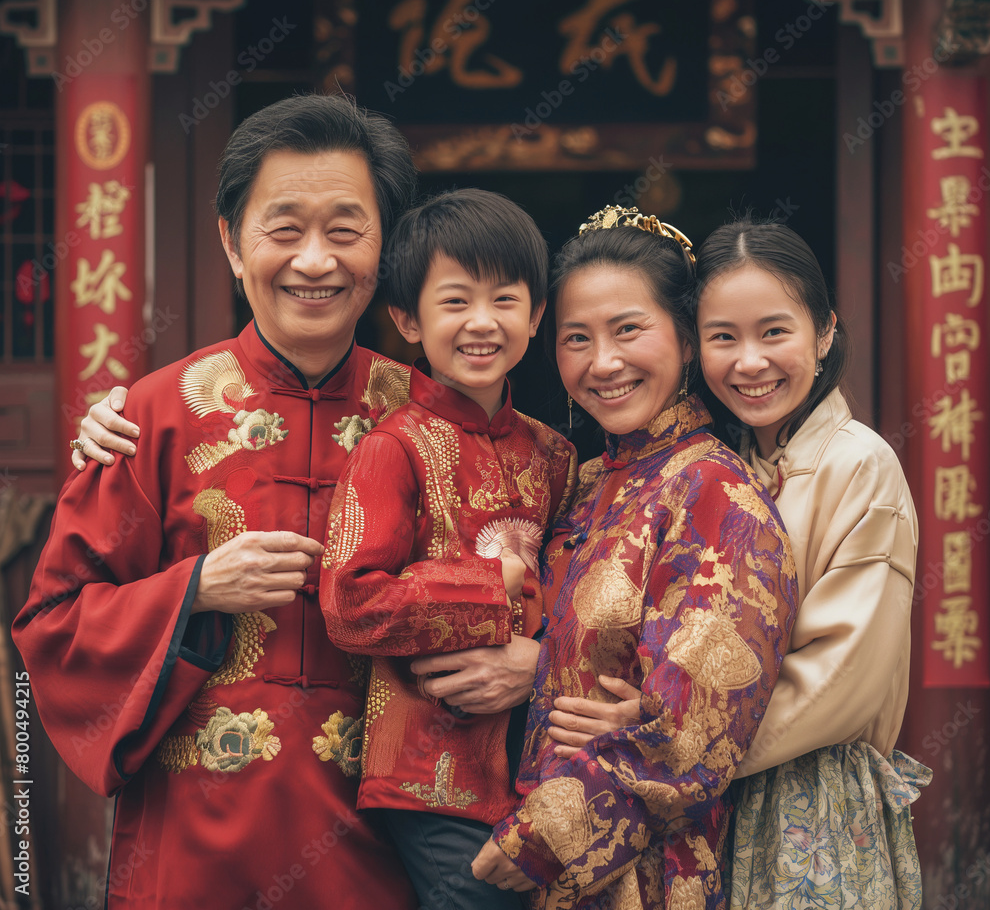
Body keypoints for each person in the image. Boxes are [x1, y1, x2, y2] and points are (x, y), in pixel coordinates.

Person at [13, 94, 423, 909]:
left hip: (383, 853)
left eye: (345, 231)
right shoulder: (151, 418)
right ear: (234, 246)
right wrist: (196, 589)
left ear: (386, 248)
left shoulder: (428, 422)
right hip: (189, 857)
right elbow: (51, 625)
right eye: (284, 230)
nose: (315, 261)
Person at [469, 205, 799, 908]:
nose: (603, 363)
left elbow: (694, 733)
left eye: (628, 330)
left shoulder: (714, 490)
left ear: (683, 338)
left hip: (647, 873)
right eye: (576, 339)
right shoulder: (584, 483)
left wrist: (538, 839)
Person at [320, 188, 576, 909]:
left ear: (537, 313)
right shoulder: (392, 447)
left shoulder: (556, 455)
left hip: (537, 759)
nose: (482, 323)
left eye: (505, 299)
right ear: (408, 319)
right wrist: (497, 590)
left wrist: (545, 644)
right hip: (428, 772)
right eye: (456, 301)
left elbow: (574, 589)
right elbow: (349, 601)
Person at [693, 219, 930, 909]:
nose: (750, 362)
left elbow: (841, 678)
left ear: (824, 333)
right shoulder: (721, 467)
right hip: (709, 806)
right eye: (723, 337)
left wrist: (678, 749)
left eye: (774, 332)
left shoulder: (860, 464)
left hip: (812, 805)